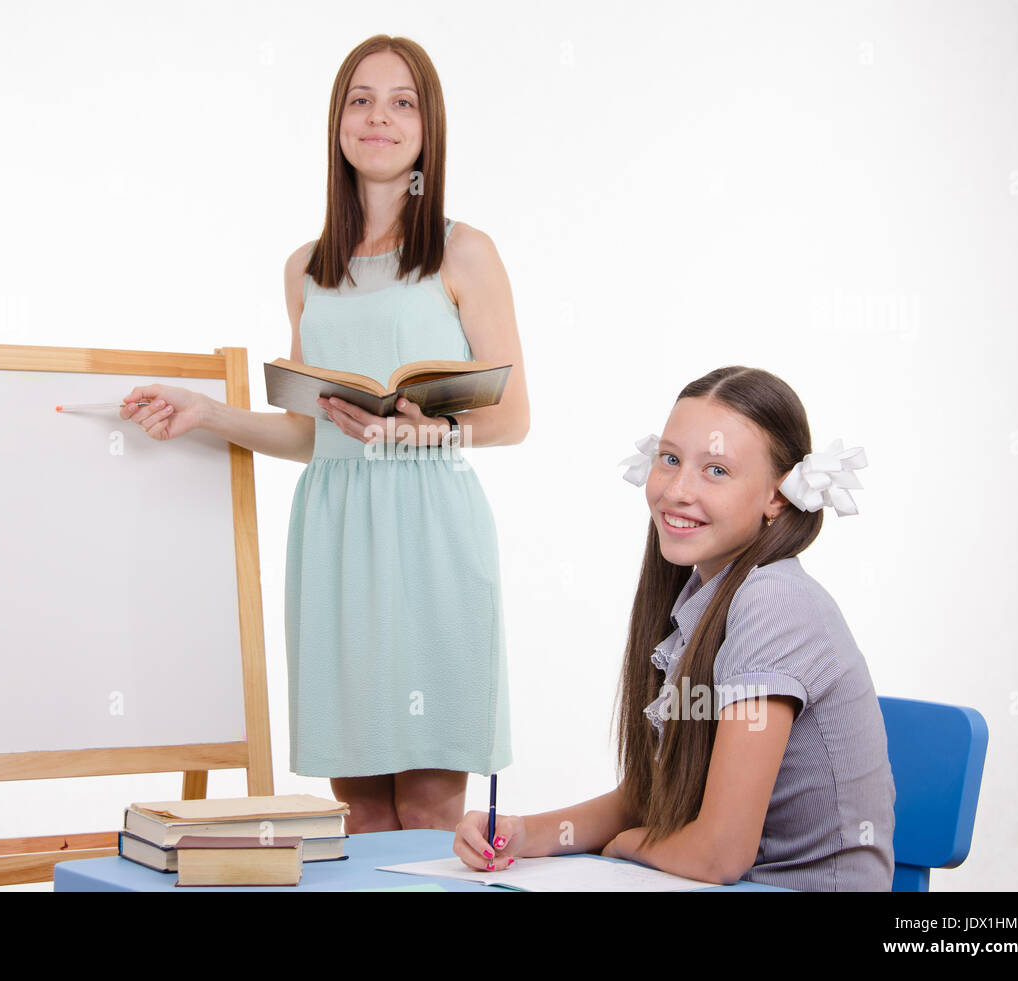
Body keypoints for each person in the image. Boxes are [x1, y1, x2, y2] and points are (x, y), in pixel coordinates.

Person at [119, 34, 529, 834]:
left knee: (430, 794)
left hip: (430, 530)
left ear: (427, 128)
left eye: (402, 101)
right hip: (337, 532)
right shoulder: (306, 267)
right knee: (362, 801)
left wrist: (432, 434)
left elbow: (512, 416)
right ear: (338, 122)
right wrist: (208, 413)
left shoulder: (463, 251)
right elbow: (313, 435)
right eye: (361, 99)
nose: (379, 116)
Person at [452, 366, 895, 890]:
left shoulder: (772, 600)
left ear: (777, 497)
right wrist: (524, 835)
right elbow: (650, 796)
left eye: (716, 471)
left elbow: (718, 856)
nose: (677, 490)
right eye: (670, 459)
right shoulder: (702, 596)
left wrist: (624, 847)